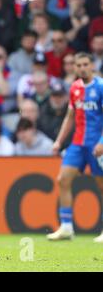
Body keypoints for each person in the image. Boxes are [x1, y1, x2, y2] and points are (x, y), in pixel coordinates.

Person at [47, 53, 103, 243]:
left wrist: (102, 142)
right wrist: (59, 141)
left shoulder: (101, 87)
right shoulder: (75, 88)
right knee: (63, 180)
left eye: (85, 64)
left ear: (92, 65)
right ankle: (66, 227)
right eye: (78, 65)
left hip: (97, 144)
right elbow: (70, 117)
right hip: (78, 144)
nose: (82, 68)